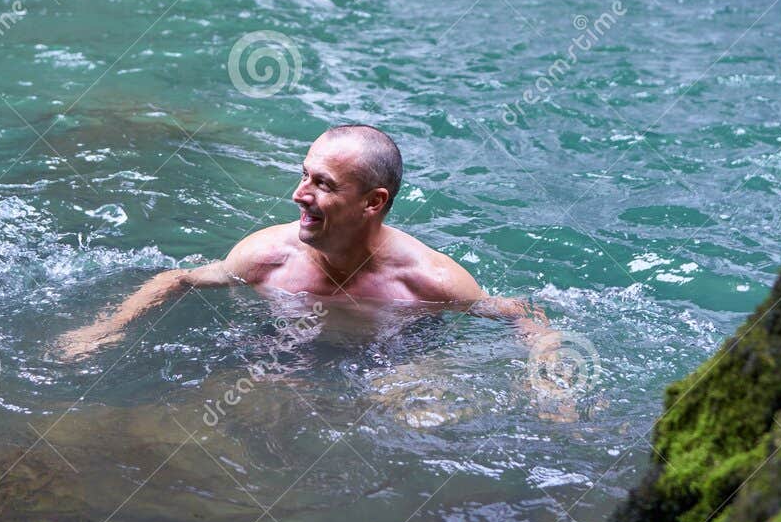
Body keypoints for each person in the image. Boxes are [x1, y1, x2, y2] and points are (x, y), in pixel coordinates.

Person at [56, 124, 562, 371]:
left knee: (418, 412)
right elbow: (179, 278)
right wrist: (105, 328)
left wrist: (550, 373)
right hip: (287, 352)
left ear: (373, 202)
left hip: (392, 358)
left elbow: (519, 314)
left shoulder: (428, 281)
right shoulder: (265, 257)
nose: (299, 194)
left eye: (322, 183)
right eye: (303, 175)